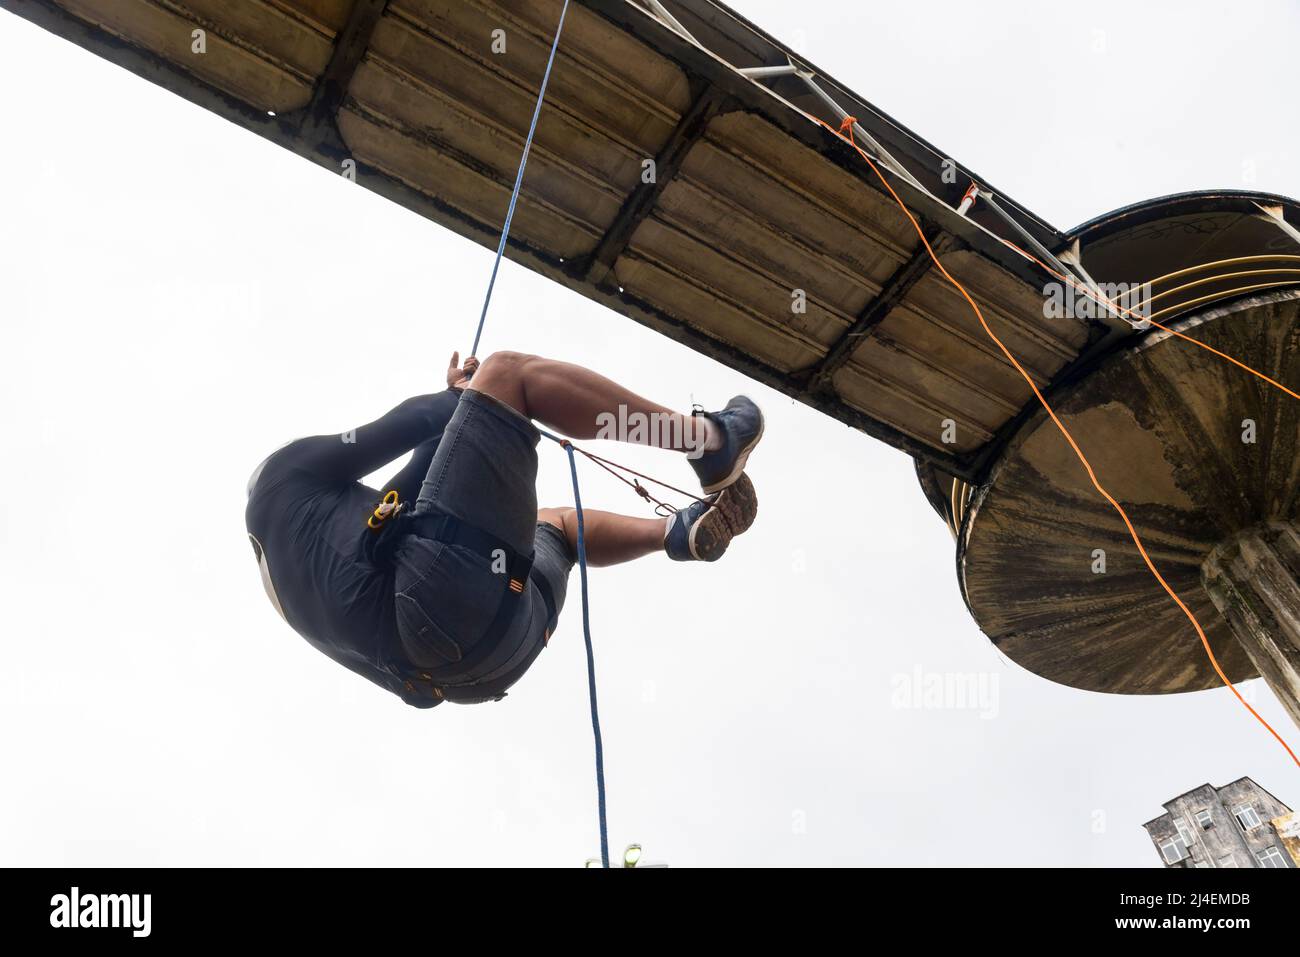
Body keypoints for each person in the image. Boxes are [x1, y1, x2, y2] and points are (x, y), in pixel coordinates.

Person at [245, 351, 762, 709]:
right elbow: (414, 421)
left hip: (487, 664)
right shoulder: (282, 476)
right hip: (435, 594)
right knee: (510, 375)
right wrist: (457, 398)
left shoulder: (296, 576)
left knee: (556, 526)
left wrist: (461, 411)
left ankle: (677, 532)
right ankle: (707, 441)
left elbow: (408, 506)